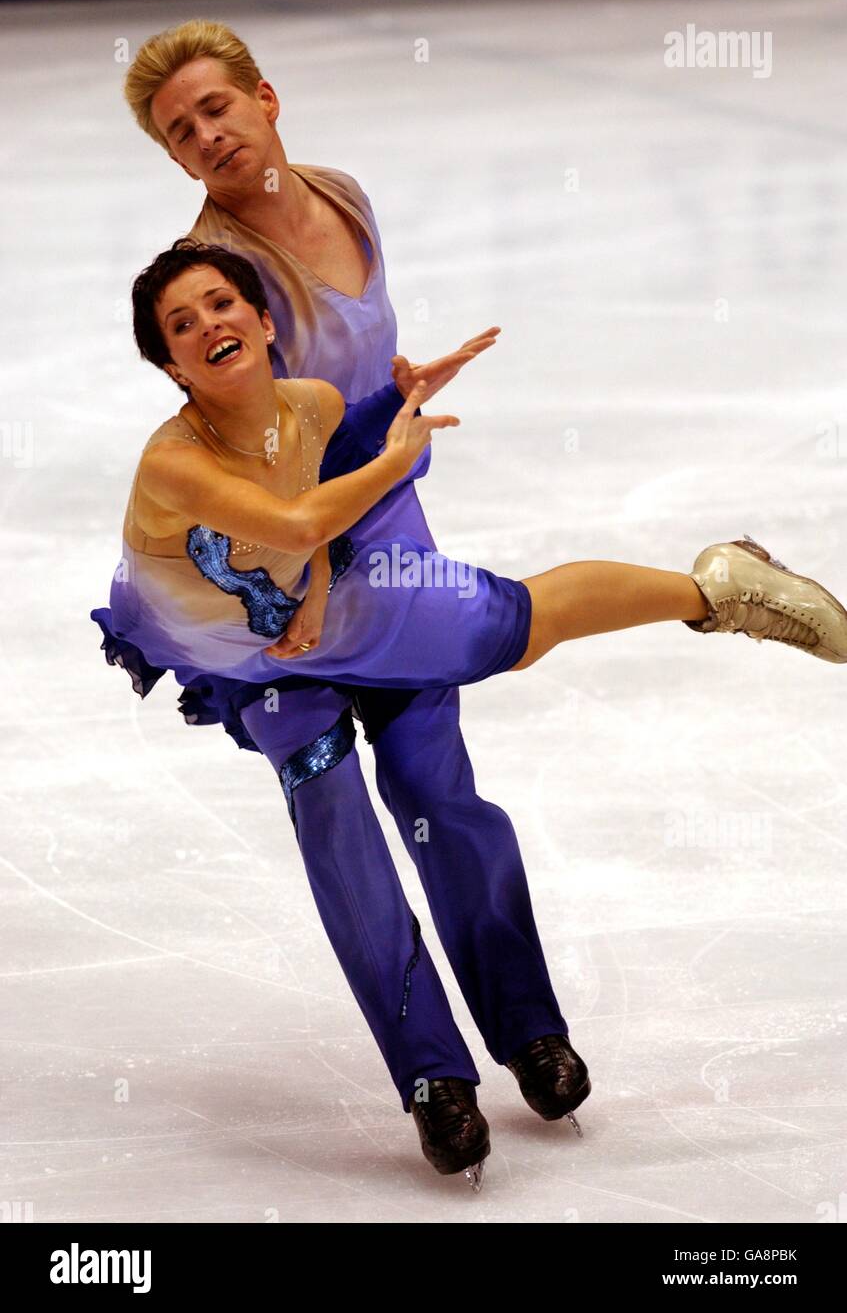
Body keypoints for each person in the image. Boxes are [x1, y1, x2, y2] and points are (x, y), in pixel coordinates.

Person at [93, 244, 847, 1188]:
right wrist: (388, 465)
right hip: (254, 667)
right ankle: (432, 1081)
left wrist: (323, 580)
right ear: (170, 365)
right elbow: (290, 523)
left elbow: (316, 511)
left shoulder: (312, 406)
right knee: (336, 819)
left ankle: (717, 589)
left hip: (347, 609)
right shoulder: (171, 461)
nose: (209, 324)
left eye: (221, 303)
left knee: (457, 741)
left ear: (264, 319)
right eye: (182, 323)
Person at [118, 19, 591, 1187]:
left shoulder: (342, 195)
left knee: (436, 785)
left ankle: (527, 1023)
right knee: (333, 805)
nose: (205, 135)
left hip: (387, 538)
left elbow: (343, 388)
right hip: (272, 590)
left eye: (216, 107)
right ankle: (431, 1074)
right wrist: (312, 571)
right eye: (180, 131)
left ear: (265, 98)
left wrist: (396, 391)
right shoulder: (214, 279)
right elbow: (253, 463)